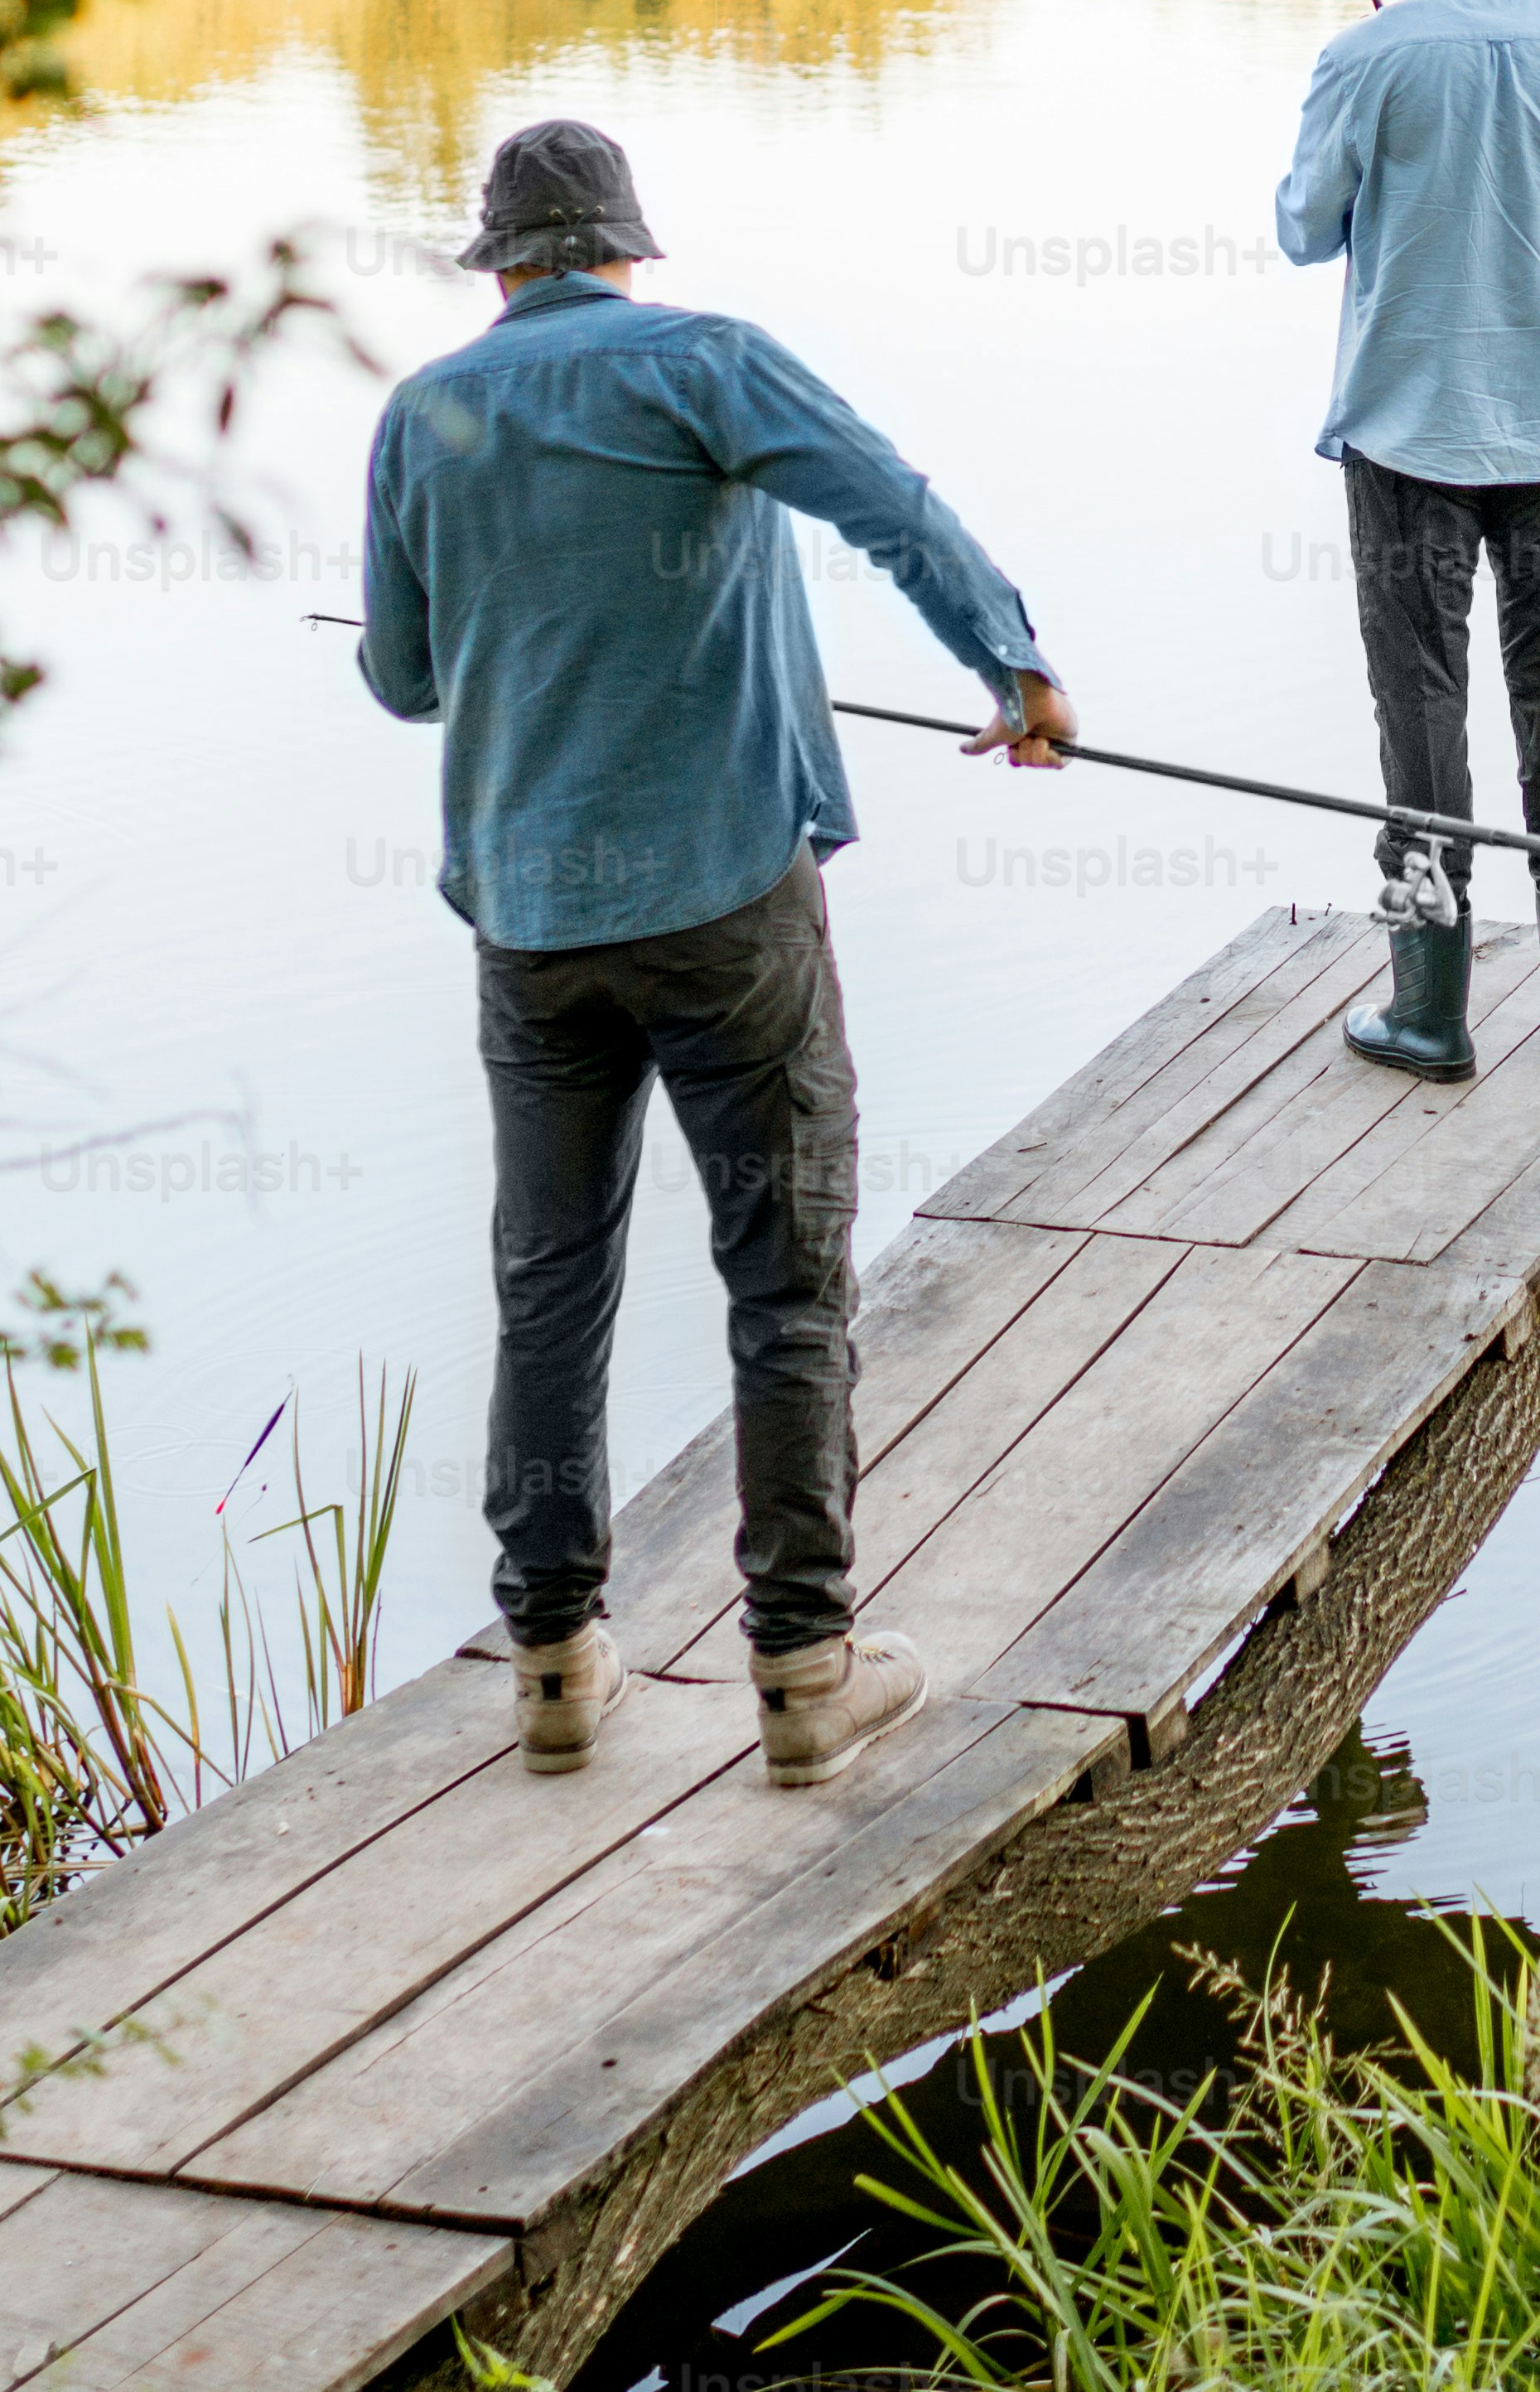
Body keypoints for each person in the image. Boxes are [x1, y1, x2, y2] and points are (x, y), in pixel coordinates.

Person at [357, 118, 1077, 1791]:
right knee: (783, 1273)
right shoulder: (705, 362)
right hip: (723, 904)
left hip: (531, 921)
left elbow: (400, 679)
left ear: (500, 266)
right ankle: (804, 1665)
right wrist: (1014, 666)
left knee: (548, 1281)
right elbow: (888, 505)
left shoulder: (423, 415)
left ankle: (549, 1660)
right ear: (625, 249)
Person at [1271, 0, 1540, 1082]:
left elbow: (1305, 230)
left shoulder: (1362, 56)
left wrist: (1390, 117)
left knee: (1420, 708)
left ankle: (1430, 1009)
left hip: (1408, 439)